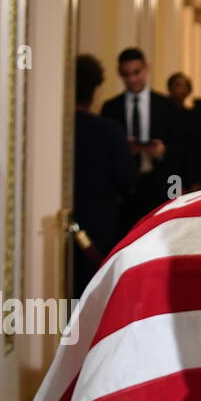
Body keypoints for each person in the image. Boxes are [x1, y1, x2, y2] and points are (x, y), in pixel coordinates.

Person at [73, 54, 137, 298]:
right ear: (96, 89)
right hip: (100, 226)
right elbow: (128, 180)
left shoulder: (53, 128)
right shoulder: (108, 130)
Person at [100, 47, 181, 233]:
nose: (132, 79)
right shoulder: (111, 107)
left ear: (146, 69)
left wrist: (162, 150)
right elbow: (104, 152)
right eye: (126, 74)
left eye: (136, 73)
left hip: (159, 185)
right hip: (124, 190)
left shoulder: (165, 105)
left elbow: (182, 147)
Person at [167, 71, 201, 192]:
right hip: (168, 175)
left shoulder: (195, 117)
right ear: (170, 88)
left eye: (185, 86)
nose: (181, 89)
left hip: (190, 176)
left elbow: (199, 150)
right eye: (177, 85)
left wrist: (197, 180)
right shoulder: (162, 114)